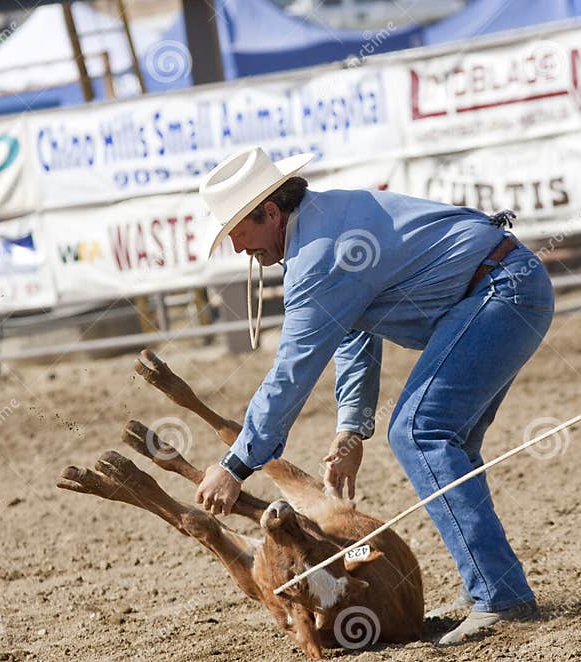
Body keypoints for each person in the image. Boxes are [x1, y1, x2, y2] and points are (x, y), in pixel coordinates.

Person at [193, 146, 554, 644]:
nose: (238, 249)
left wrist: (235, 465)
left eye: (238, 232)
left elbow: (292, 372)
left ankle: (500, 595)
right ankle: (493, 587)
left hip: (497, 291)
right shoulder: (325, 224)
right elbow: (353, 328)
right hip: (501, 285)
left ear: (271, 212)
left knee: (419, 431)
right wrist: (351, 428)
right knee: (443, 440)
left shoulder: (317, 254)